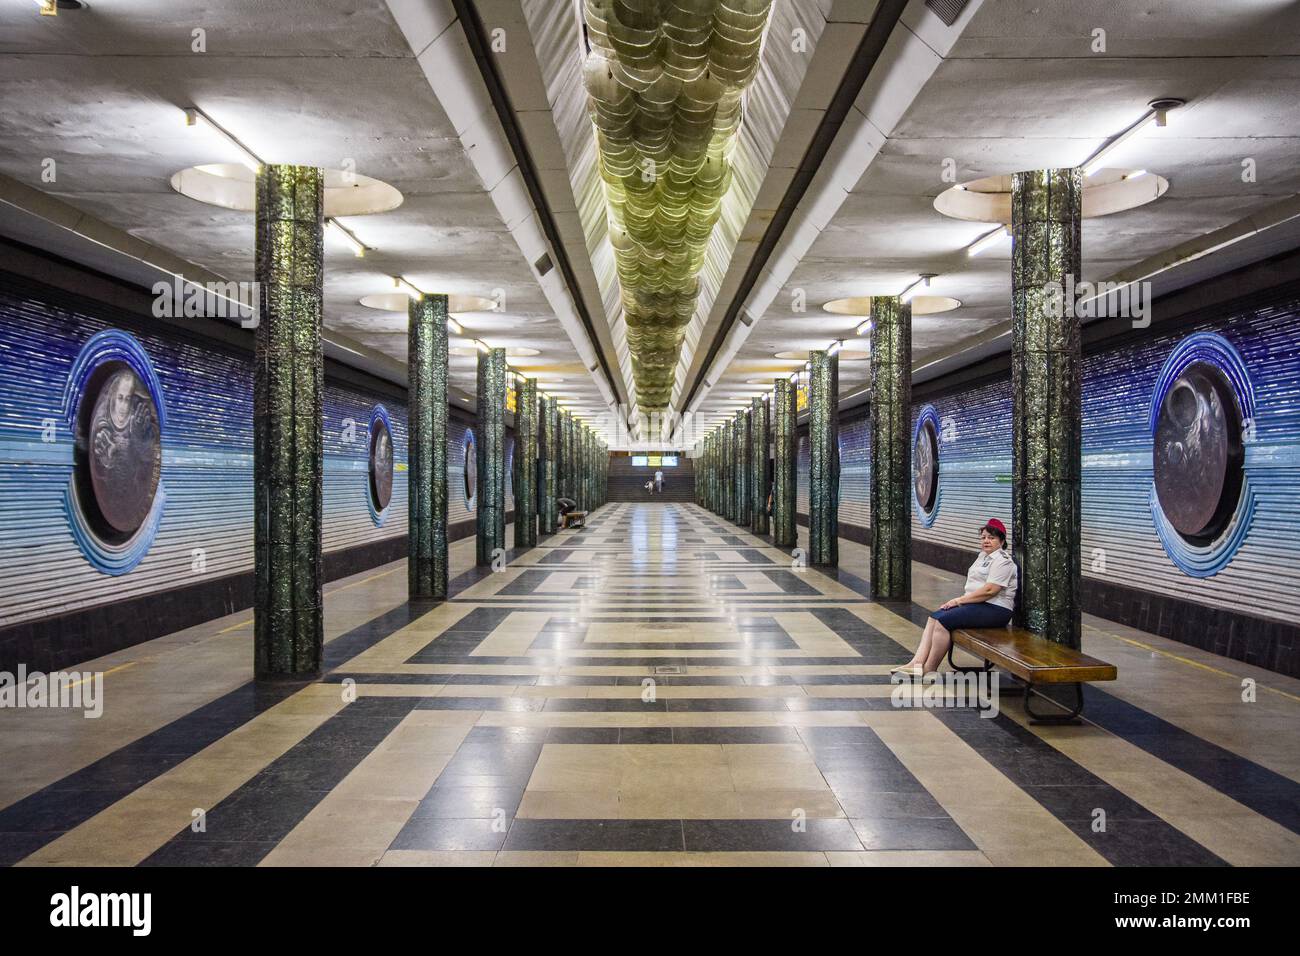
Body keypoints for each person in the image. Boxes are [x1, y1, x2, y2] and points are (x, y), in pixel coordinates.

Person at [892, 519, 1018, 678]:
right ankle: (916, 663)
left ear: (1002, 540)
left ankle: (929, 669)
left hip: (995, 609)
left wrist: (958, 601)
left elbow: (990, 590)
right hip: (979, 605)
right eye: (983, 537)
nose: (986, 541)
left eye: (991, 538)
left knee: (943, 623)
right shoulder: (983, 557)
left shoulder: (1003, 561)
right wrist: (961, 602)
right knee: (934, 616)